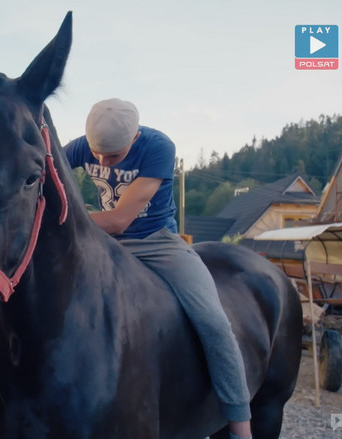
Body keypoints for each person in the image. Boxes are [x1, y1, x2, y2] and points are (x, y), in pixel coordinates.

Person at [63, 98, 252, 439]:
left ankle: (240, 424)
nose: (102, 161)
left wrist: (63, 219)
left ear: (134, 139)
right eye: (96, 153)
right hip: (101, 241)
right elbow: (48, 174)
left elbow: (120, 220)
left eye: (114, 156)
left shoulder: (158, 146)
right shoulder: (84, 146)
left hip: (156, 242)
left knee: (213, 321)